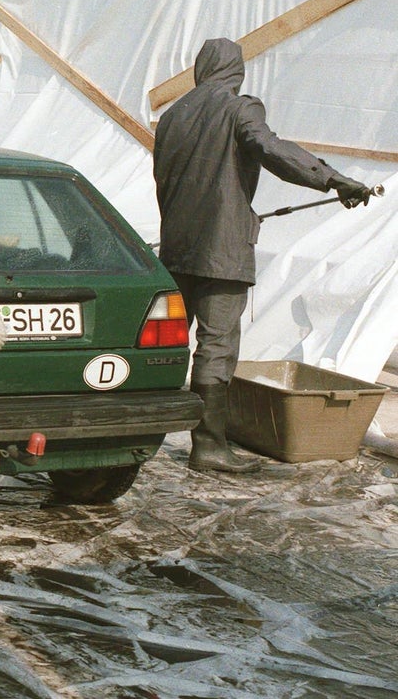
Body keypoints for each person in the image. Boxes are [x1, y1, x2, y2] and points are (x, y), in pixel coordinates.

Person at [152, 38, 372, 474]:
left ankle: (139, 433)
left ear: (201, 70)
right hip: (221, 252)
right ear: (236, 73)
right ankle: (209, 447)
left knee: (165, 345)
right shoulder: (240, 108)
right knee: (216, 347)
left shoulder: (172, 116)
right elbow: (269, 147)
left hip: (176, 249)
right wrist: (333, 179)